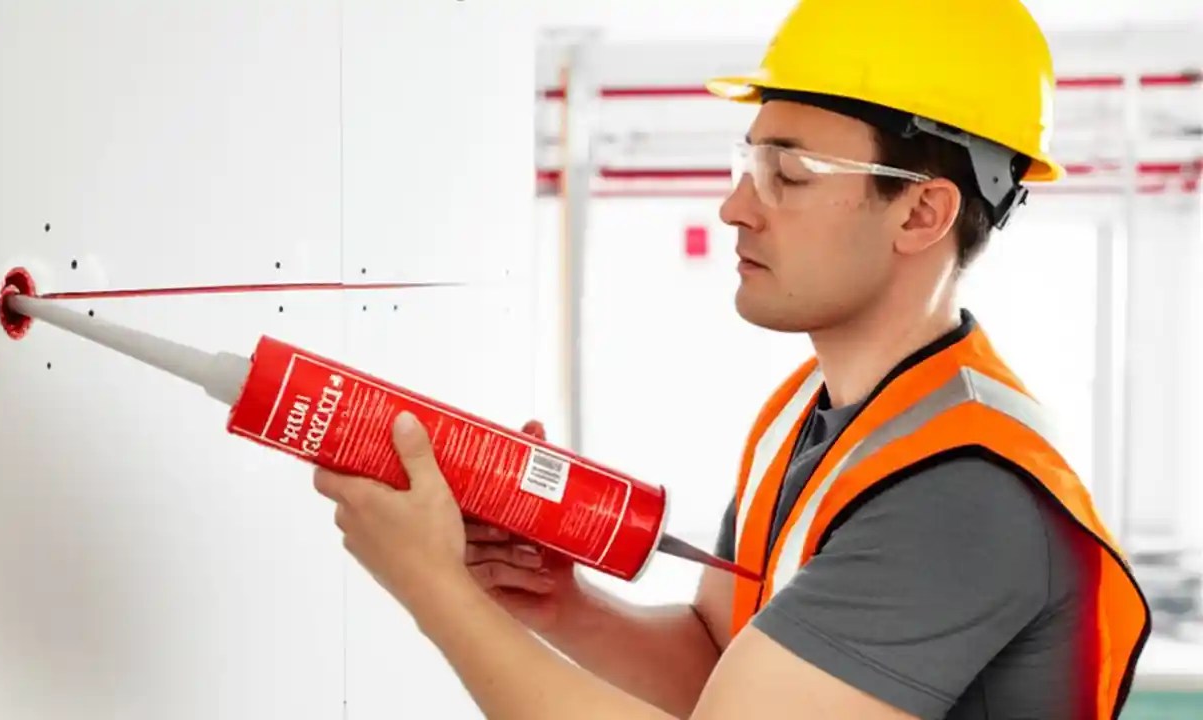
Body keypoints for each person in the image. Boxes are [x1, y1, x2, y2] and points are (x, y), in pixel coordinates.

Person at [311, 1, 1150, 718]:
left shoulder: (962, 493)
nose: (735, 206)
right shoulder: (819, 416)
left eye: (788, 172)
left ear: (923, 213)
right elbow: (724, 668)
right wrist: (558, 603)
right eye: (750, 161)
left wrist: (431, 586)